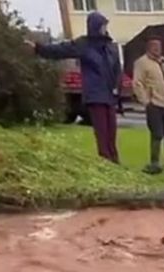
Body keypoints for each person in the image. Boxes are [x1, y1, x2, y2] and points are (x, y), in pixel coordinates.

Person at [28, 12, 122, 163]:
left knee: (112, 131)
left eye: (106, 25)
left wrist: (117, 88)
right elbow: (62, 50)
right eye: (103, 25)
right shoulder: (83, 45)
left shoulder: (109, 47)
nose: (105, 28)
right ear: (95, 26)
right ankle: (106, 161)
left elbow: (117, 68)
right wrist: (40, 49)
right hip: (95, 94)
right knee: (102, 131)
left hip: (109, 94)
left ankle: (115, 161)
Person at [133, 37, 164, 174]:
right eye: (154, 46)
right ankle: (154, 161)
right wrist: (146, 101)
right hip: (155, 103)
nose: (157, 49)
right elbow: (137, 83)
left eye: (159, 46)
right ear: (148, 47)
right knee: (157, 134)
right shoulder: (142, 63)